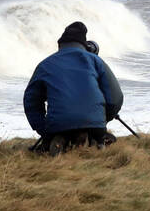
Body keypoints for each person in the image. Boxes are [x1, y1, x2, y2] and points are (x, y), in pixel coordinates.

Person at [24, 22, 124, 154]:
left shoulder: (45, 65)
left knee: (60, 131)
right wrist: (103, 119)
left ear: (61, 44)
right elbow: (116, 98)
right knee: (96, 133)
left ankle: (61, 140)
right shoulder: (94, 60)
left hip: (58, 124)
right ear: (84, 44)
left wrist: (43, 129)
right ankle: (93, 140)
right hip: (95, 123)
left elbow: (31, 101)